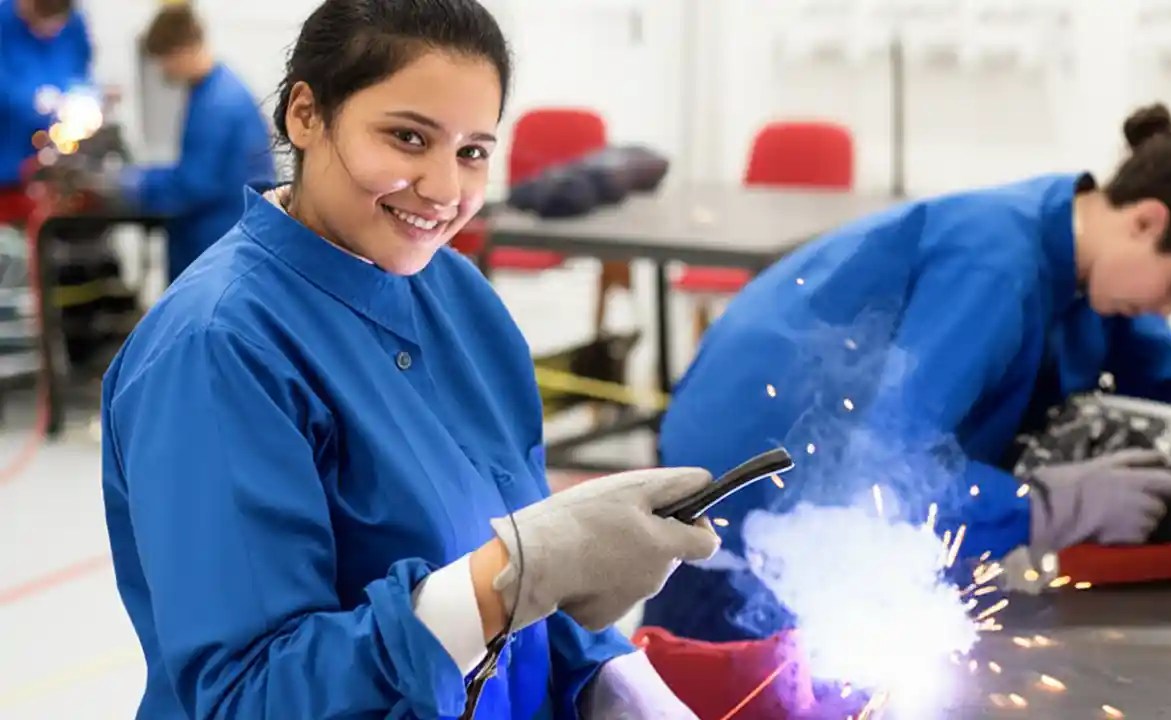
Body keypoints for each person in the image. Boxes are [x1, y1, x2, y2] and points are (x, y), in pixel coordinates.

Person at [100, 1, 718, 717]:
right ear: (305, 114)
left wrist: (610, 679)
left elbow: (528, 568)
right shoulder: (217, 349)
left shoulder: (456, 293)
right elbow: (251, 695)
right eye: (407, 138)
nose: (445, 190)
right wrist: (505, 579)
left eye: (473, 152)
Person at [643, 103, 1171, 643]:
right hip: (741, 498)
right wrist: (1046, 508)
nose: (1168, 310)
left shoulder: (1096, 281)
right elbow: (887, 468)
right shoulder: (994, 266)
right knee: (743, 687)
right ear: (1147, 220)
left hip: (821, 475)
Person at [118, 3, 276, 283]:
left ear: (181, 50)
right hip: (224, 240)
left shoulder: (217, 105)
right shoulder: (214, 90)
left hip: (217, 241)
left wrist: (132, 185)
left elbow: (192, 185)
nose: (164, 72)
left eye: (164, 61)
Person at [0, 0, 91, 221]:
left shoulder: (73, 24)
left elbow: (81, 72)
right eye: (41, 16)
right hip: (7, 172)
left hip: (56, 175)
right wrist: (33, 104)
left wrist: (83, 102)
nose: (50, 30)